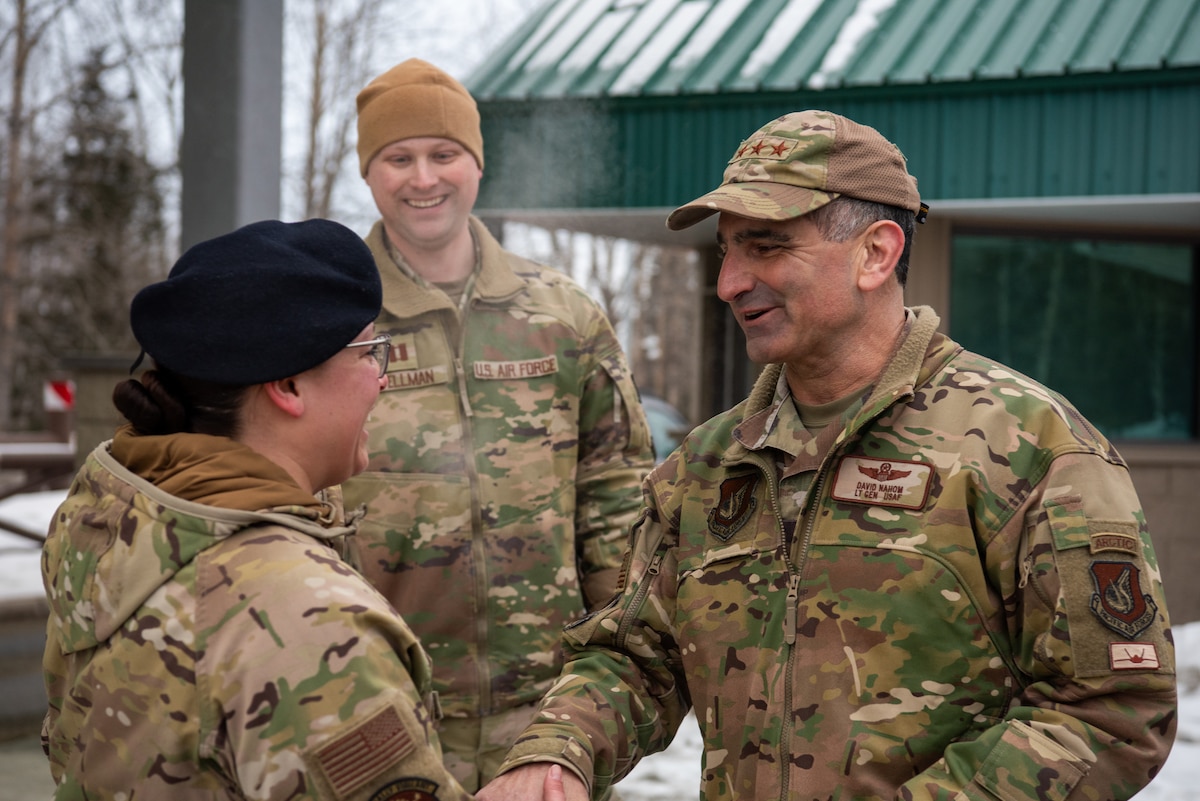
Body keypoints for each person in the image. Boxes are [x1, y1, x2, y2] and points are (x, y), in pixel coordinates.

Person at [478, 110, 1179, 801]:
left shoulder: (1027, 445)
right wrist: (554, 755)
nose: (729, 283)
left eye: (766, 247)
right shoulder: (708, 465)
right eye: (727, 251)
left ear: (875, 253)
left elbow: (1113, 710)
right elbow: (638, 658)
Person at [39, 219, 567, 801]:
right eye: (370, 353)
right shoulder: (309, 625)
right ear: (288, 386)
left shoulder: (115, 519)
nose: (382, 382)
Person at [341, 58, 655, 793]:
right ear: (369, 173)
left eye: (444, 154)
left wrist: (616, 680)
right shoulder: (335, 321)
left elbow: (617, 501)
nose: (424, 178)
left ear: (477, 165)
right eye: (398, 158)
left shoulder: (562, 315)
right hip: (379, 715)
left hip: (546, 722)